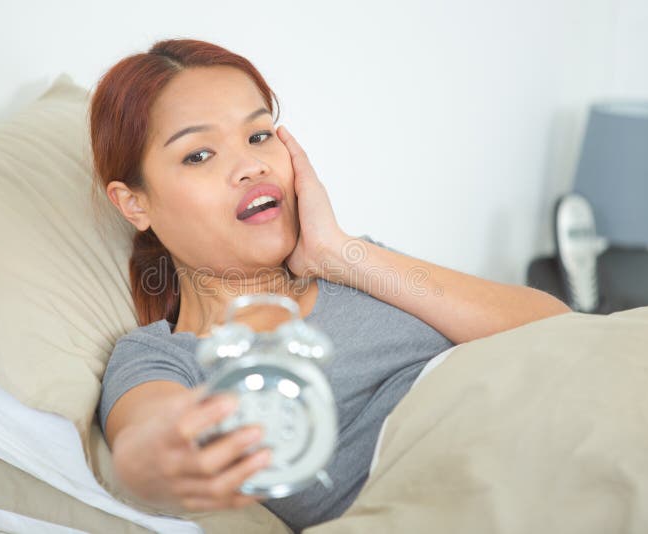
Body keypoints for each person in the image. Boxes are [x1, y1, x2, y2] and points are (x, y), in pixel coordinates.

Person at [90, 38, 571, 533]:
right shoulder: (163, 357)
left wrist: (336, 252)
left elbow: (556, 328)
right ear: (134, 204)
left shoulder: (359, 265)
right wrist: (154, 460)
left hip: (560, 418)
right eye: (199, 154)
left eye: (258, 136)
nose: (252, 166)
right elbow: (146, 440)